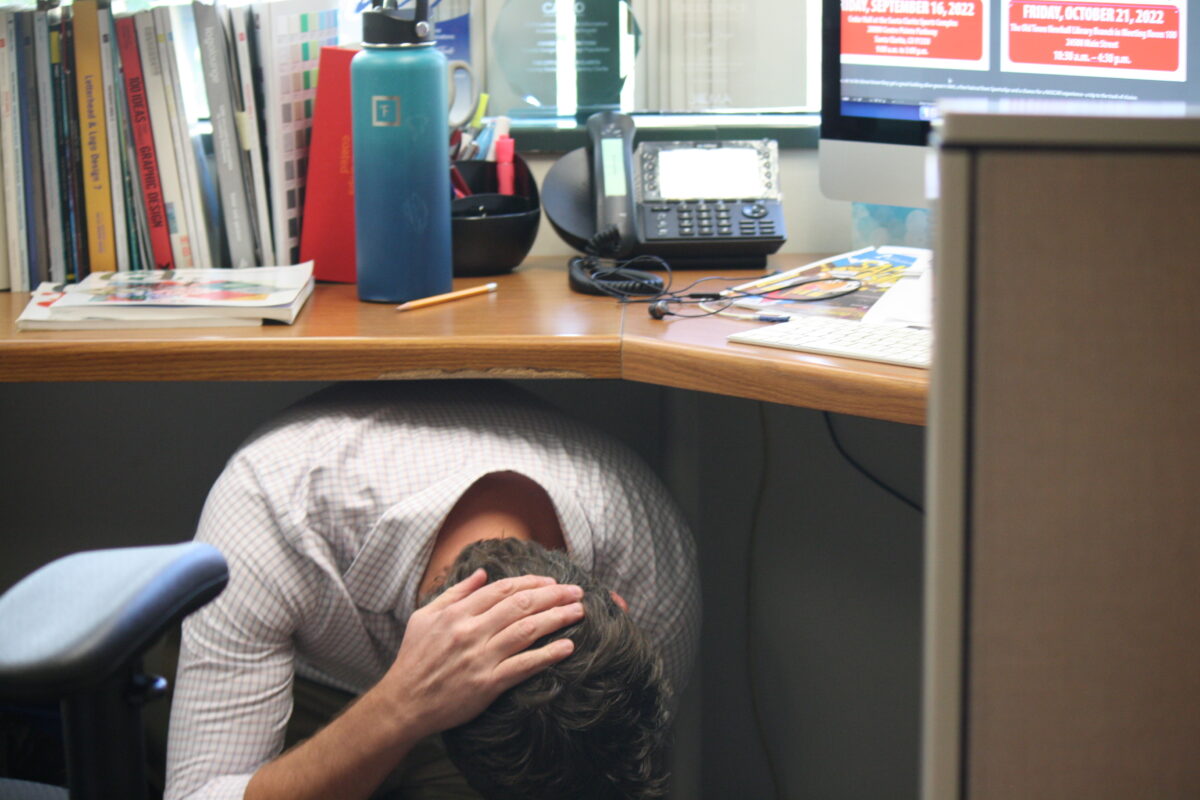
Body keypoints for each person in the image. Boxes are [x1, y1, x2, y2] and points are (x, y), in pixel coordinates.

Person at [164, 381, 699, 800]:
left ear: (619, 607)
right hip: (304, 683)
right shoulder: (274, 510)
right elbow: (198, 792)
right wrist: (398, 708)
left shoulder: (653, 571)